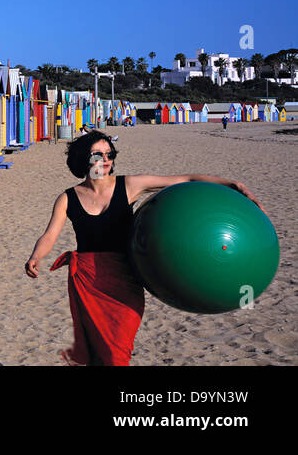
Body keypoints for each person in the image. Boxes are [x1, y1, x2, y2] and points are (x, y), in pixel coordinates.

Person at [23, 130, 262, 366]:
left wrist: (233, 184)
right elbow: (50, 235)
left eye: (110, 153)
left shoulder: (129, 185)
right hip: (87, 283)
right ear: (82, 158)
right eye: (98, 154)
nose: (106, 160)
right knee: (97, 352)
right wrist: (36, 256)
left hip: (125, 280)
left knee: (117, 352)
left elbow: (185, 180)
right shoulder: (67, 198)